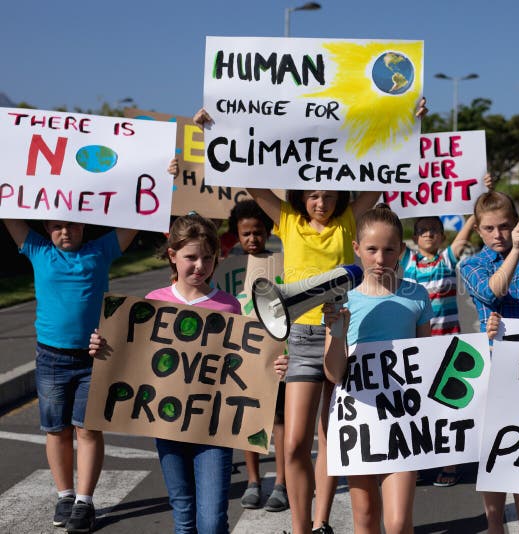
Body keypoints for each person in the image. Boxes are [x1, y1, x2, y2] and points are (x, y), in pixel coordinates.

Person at [194, 99, 426, 534]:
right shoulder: (285, 218)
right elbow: (247, 177)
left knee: (333, 440)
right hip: (300, 337)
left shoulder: (349, 220)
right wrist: (214, 129)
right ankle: (301, 526)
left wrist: (411, 125)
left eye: (328, 192)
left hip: (345, 335)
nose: (320, 200)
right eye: (313, 193)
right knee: (297, 441)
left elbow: (384, 173)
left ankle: (321, 523)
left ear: (341, 191)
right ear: (301, 192)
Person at [1, 158, 177, 534]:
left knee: (88, 430)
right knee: (56, 430)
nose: (66, 231)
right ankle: (64, 494)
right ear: (46, 228)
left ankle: (85, 501)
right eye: (58, 226)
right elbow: (8, 208)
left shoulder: (100, 250)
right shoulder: (36, 250)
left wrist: (163, 177)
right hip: (49, 358)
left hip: (94, 358)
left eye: (73, 223)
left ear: (85, 222)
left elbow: (137, 217)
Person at [90, 213, 287, 533]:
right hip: (167, 426)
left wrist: (271, 366)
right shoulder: (153, 303)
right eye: (190, 257)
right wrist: (103, 347)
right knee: (183, 517)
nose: (200, 265)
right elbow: (132, 358)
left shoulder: (228, 306)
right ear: (172, 255)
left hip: (215, 430)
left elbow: (242, 365)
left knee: (211, 521)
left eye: (208, 258)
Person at [322, 204, 432, 534]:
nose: (380, 259)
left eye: (389, 249)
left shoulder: (417, 295)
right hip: (359, 420)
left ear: (401, 250)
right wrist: (338, 330)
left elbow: (426, 359)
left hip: (403, 418)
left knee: (398, 523)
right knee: (366, 517)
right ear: (357, 250)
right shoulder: (343, 300)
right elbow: (333, 374)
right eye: (372, 250)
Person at [458, 191, 519, 533]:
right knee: (493, 457)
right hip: (492, 373)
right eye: (490, 228)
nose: (498, 235)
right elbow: (493, 291)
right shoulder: (471, 264)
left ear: (517, 223)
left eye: (505, 226)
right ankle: (495, 526)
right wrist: (518, 253)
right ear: (478, 230)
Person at [401, 173, 493, 487]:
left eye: (434, 231)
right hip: (418, 346)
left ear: (442, 236)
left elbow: (469, 227)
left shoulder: (447, 259)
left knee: (448, 408)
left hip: (448, 346)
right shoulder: (408, 261)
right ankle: (420, 462)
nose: (428, 234)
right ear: (415, 236)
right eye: (423, 230)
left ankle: (450, 465)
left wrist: (479, 193)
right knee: (419, 408)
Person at [225, 199, 290, 513]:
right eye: (246, 233)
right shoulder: (228, 265)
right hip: (242, 353)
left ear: (268, 231)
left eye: (259, 232)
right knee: (248, 416)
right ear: (236, 234)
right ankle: (253, 481)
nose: (252, 239)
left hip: (276, 354)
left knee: (279, 419)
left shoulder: (282, 261)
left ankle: (281, 482)